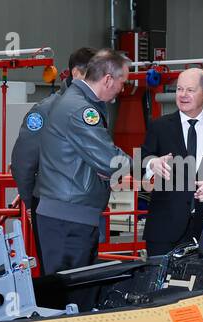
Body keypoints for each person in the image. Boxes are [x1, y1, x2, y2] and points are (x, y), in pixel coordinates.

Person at [33, 49, 130, 275]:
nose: (123, 88)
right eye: (122, 82)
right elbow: (110, 160)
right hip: (69, 219)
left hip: (68, 213)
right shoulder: (80, 110)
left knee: (72, 290)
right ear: (107, 79)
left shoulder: (78, 102)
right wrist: (145, 165)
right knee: (71, 295)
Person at [140, 68, 203, 256]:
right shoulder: (158, 127)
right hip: (163, 232)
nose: (183, 95)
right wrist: (152, 164)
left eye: (190, 90)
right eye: (179, 89)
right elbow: (140, 163)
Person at [11, 47, 94, 261]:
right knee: (59, 278)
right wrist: (30, 203)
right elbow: (24, 161)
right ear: (77, 73)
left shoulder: (93, 109)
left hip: (86, 210)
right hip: (53, 210)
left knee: (85, 277)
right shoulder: (45, 111)